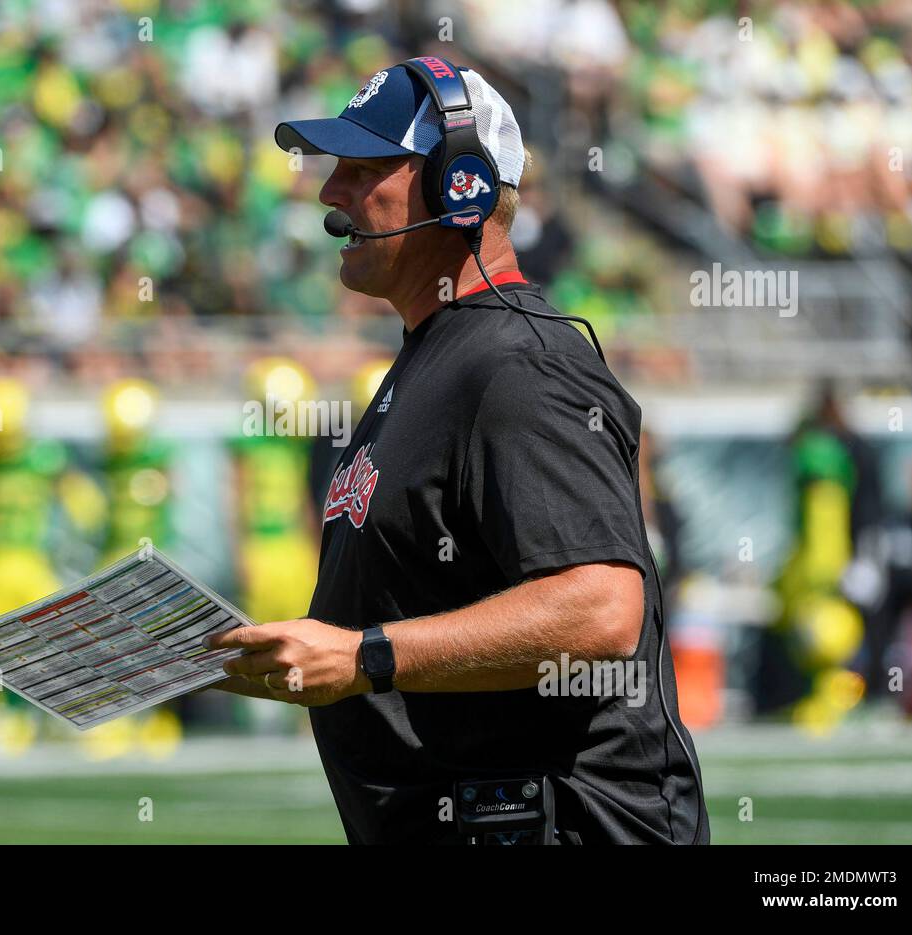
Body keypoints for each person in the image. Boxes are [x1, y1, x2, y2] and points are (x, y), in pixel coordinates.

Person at [207, 57, 707, 844]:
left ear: (459, 184)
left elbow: (601, 606)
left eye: (363, 168)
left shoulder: (520, 364)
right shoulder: (430, 359)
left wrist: (366, 655)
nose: (330, 193)